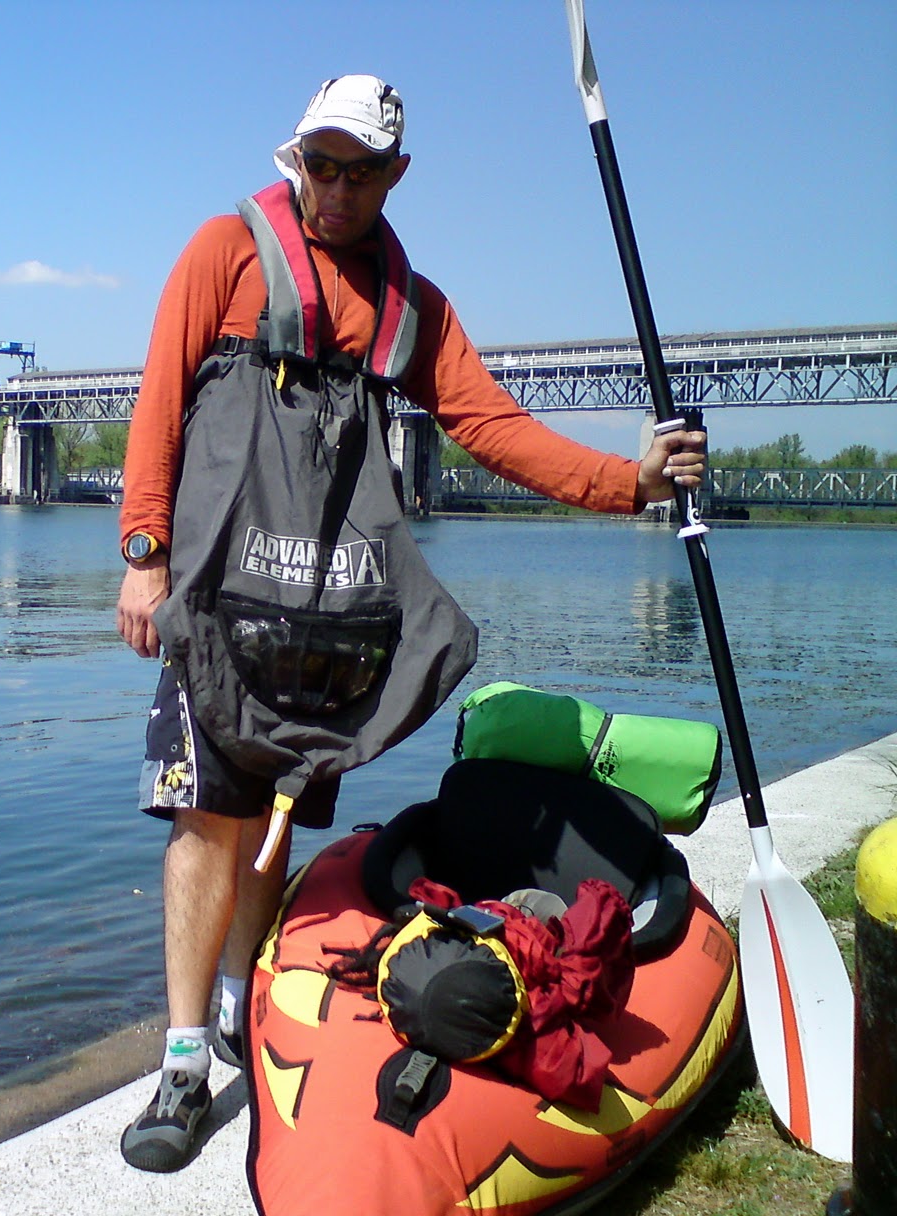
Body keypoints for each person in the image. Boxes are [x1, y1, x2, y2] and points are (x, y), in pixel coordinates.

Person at [112, 74, 707, 1173]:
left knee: (273, 821)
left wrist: (628, 482)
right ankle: (185, 1063)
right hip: (215, 600)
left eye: (360, 171)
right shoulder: (223, 251)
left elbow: (494, 428)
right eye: (320, 166)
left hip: (326, 619)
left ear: (396, 176)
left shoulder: (411, 307)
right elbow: (158, 396)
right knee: (203, 820)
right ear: (296, 158)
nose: (336, 190)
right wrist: (144, 555)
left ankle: (242, 997)